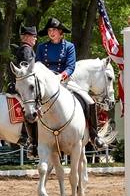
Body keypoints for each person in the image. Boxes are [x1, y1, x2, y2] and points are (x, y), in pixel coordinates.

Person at [35, 17, 100, 147]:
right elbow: (38, 64)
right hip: (46, 83)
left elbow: (70, 66)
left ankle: (94, 135)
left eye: (54, 30)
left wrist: (61, 76)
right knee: (31, 103)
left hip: (64, 80)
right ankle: (32, 140)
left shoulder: (69, 47)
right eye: (49, 30)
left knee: (89, 101)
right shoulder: (42, 47)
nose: (51, 32)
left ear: (60, 32)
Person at [10, 25, 39, 157]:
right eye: (34, 37)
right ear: (27, 37)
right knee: (30, 108)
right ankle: (28, 139)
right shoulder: (26, 50)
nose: (35, 39)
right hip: (24, 86)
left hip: (23, 84)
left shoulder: (26, 49)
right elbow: (27, 71)